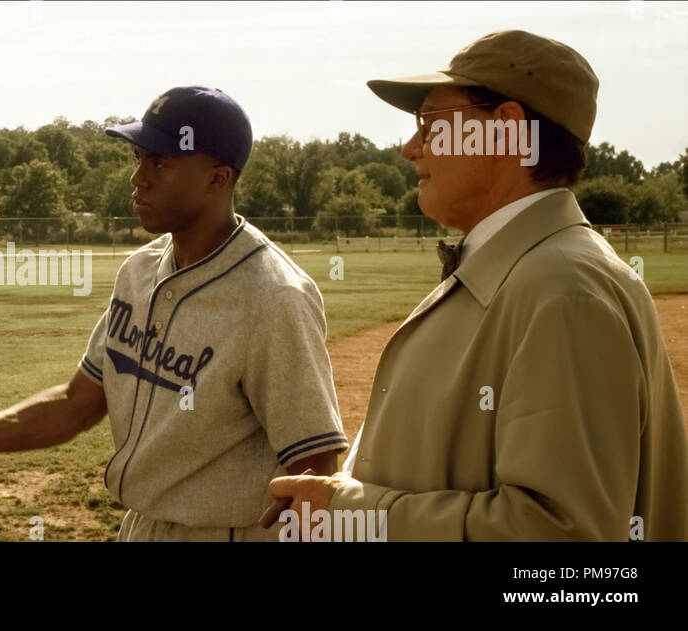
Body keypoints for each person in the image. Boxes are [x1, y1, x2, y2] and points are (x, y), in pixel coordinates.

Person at [268, 30, 688, 541]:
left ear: (508, 130)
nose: (409, 147)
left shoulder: (562, 289)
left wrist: (349, 512)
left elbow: (561, 543)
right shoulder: (529, 269)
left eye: (430, 123)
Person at [0, 86, 348, 542]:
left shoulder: (274, 297)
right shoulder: (138, 271)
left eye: (160, 163)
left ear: (218, 178)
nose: (138, 178)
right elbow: (78, 403)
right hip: (141, 526)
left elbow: (314, 463)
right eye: (139, 158)